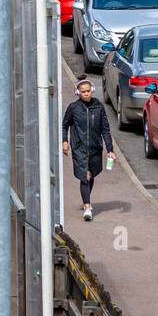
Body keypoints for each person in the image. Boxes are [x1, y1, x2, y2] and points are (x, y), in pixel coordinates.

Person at [61, 79, 114, 222]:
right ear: (78, 93)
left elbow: (105, 129)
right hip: (79, 148)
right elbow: (64, 125)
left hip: (95, 148)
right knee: (85, 176)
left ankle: (87, 200)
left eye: (88, 91)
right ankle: (87, 207)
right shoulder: (73, 108)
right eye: (83, 92)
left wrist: (110, 149)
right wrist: (64, 141)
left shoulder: (98, 107)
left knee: (91, 175)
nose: (86, 94)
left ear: (92, 90)